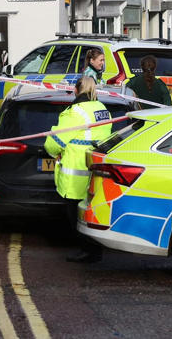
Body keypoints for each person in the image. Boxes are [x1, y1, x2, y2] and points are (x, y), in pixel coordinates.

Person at [44, 77, 111, 263]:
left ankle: (87, 250)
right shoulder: (101, 109)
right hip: (95, 167)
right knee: (92, 211)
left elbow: (54, 142)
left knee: (76, 214)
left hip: (76, 170)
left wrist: (50, 151)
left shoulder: (75, 112)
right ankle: (95, 249)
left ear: (76, 90)